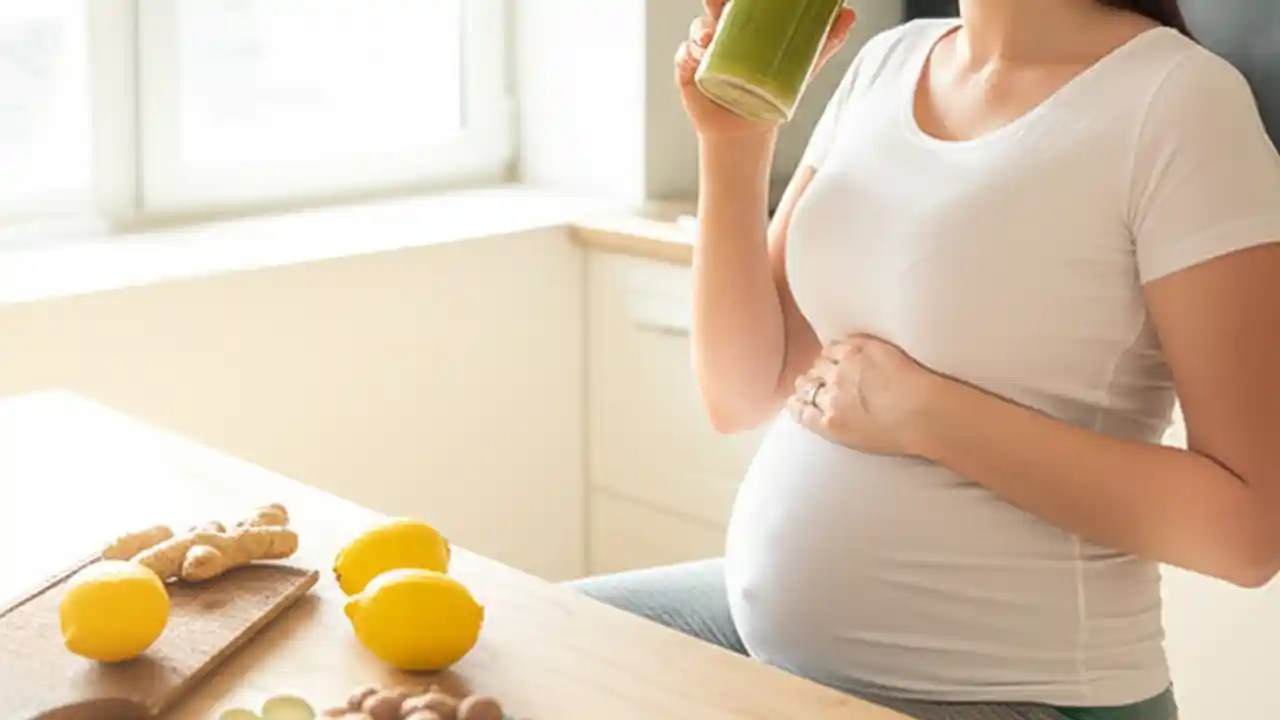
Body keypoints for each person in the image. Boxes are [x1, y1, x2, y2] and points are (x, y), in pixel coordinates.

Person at [572, 0, 1280, 718]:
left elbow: (1250, 531)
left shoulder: (1180, 103)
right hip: (778, 653)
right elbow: (741, 390)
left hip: (1016, 697)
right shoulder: (891, 60)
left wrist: (928, 417)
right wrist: (734, 141)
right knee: (516, 648)